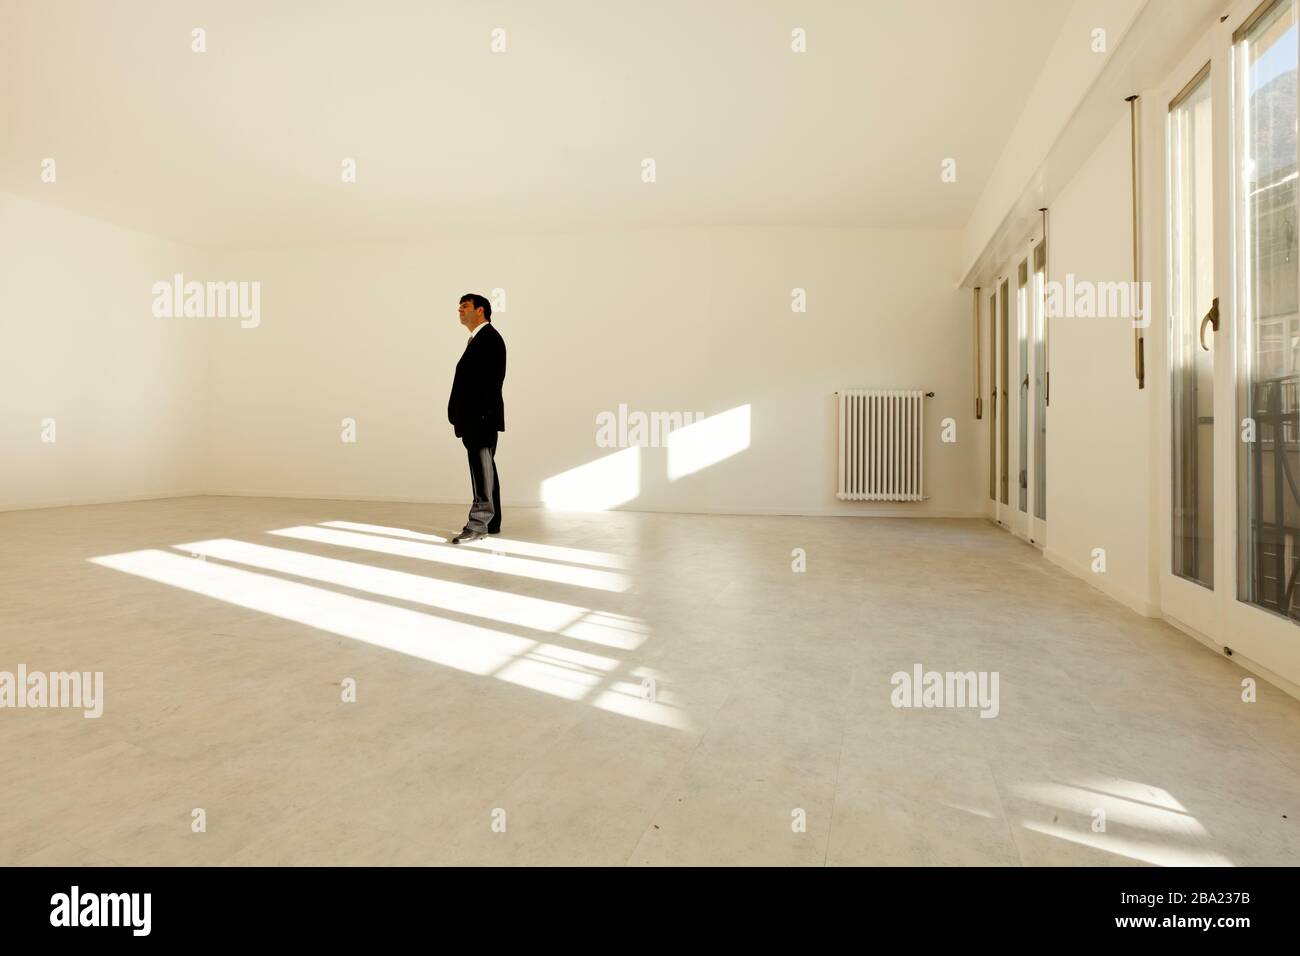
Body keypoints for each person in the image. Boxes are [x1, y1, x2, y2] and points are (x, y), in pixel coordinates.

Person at [446, 293, 505, 543]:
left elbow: (490, 383)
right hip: (477, 418)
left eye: (465, 306)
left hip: (480, 419)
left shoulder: (489, 339)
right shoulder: (478, 339)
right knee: (486, 468)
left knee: (481, 470)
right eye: (459, 306)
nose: (460, 309)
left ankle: (479, 524)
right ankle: (492, 522)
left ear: (480, 310)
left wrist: (478, 416)